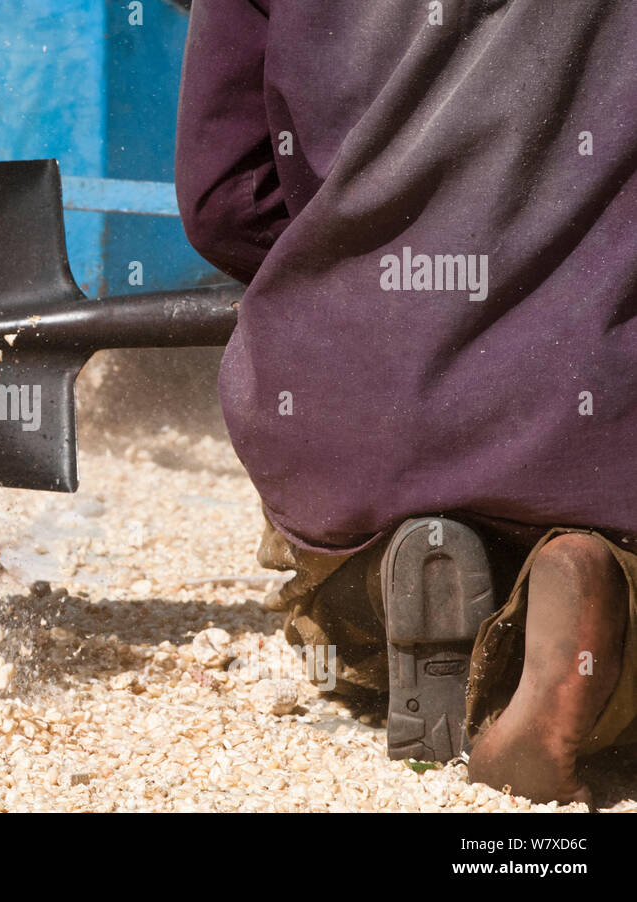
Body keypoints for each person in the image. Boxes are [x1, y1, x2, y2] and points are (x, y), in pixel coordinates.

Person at [175, 0, 637, 807]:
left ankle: (388, 593)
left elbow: (221, 202)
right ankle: (591, 607)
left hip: (355, 414)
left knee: (335, 586)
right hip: (595, 416)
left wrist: (341, 282)